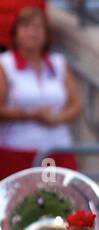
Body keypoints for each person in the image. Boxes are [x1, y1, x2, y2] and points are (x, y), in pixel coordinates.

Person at [0, 6, 79, 179]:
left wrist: (57, 118)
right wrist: (30, 115)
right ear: (16, 33)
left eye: (37, 28)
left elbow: (76, 105)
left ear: (46, 34)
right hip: (16, 151)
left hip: (58, 149)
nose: (32, 33)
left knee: (61, 202)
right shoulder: (5, 64)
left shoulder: (58, 63)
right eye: (26, 27)